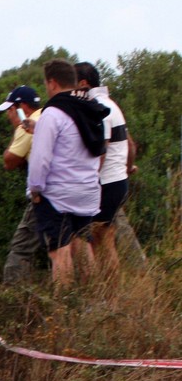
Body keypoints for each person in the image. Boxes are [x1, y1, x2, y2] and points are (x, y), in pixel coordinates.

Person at [27, 59, 109, 287]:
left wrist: (35, 190)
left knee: (59, 251)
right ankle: (92, 300)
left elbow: (40, 158)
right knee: (83, 245)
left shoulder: (52, 113)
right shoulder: (91, 109)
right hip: (87, 191)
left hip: (58, 195)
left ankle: (64, 308)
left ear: (52, 83)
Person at [74, 61, 142, 276]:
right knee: (106, 237)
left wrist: (88, 181)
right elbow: (130, 145)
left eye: (72, 84)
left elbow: (101, 151)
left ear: (83, 83)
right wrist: (128, 168)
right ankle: (110, 297)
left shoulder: (97, 108)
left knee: (92, 239)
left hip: (105, 182)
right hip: (118, 181)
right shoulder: (112, 104)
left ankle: (101, 296)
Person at [0, 85, 44, 283]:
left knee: (20, 250)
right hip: (68, 190)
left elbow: (9, 161)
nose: (9, 114)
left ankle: (15, 300)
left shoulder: (28, 124)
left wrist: (17, 127)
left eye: (11, 109)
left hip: (41, 195)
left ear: (22, 106)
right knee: (62, 246)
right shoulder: (49, 116)